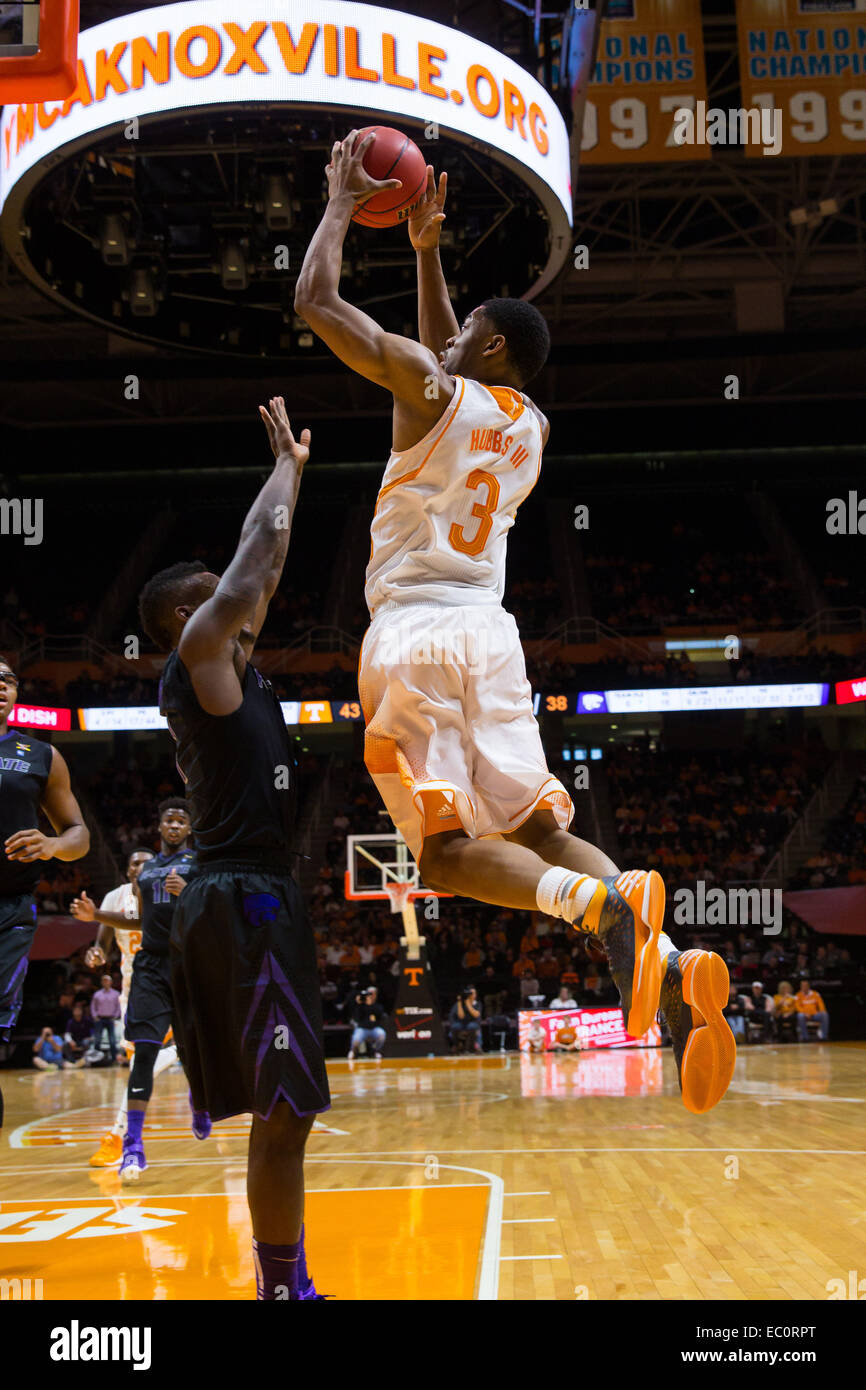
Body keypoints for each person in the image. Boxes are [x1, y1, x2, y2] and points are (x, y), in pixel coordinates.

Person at [295, 135, 734, 1115]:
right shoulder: (525, 427)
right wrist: (422, 254)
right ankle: (660, 950)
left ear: (486, 348)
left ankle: (588, 903)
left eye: (462, 336)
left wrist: (335, 203)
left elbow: (315, 305)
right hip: (490, 638)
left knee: (444, 857)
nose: (444, 340)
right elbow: (455, 357)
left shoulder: (431, 387)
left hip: (409, 634)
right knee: (537, 821)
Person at [137, 397, 329, 1301]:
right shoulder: (200, 656)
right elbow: (253, 565)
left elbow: (269, 565)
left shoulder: (236, 663)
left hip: (259, 894)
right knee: (287, 1109)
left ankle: (279, 1280)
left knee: (286, 1111)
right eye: (212, 591)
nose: (240, 599)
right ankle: (280, 1287)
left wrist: (292, 472)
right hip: (238, 895)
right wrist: (284, 472)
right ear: (185, 613)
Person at [0, 658, 89, 1137]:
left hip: (10, 907)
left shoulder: (40, 755)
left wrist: (53, 844)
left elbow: (79, 834)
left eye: (8, 680)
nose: (1, 686)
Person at [115, 800, 198, 1182]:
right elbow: (141, 920)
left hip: (190, 963)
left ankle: (201, 1102)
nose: (175, 825)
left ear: (190, 828)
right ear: (160, 825)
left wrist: (191, 895)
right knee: (144, 1052)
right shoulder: (146, 870)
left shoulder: (199, 866)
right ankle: (132, 1145)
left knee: (193, 1048)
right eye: (170, 819)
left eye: (182, 821)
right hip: (150, 966)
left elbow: (217, 914)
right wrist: (96, 919)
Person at [71, 847, 157, 1166]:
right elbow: (102, 944)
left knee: (147, 1063)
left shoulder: (166, 894)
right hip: (135, 990)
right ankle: (120, 1138)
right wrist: (96, 954)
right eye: (135, 863)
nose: (140, 868)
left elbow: (142, 921)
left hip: (174, 984)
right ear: (127, 870)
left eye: (147, 863)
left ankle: (118, 1136)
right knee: (141, 1065)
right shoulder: (113, 898)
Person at [348, 985, 387, 1060]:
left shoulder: (378, 1006)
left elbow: (379, 1014)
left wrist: (370, 1004)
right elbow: (356, 1016)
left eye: (372, 994)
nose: (370, 996)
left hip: (374, 1029)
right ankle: (353, 1051)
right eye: (369, 994)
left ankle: (376, 1051)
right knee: (356, 1039)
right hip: (362, 1029)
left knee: (382, 1034)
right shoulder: (360, 1006)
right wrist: (358, 1003)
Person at [90, 973, 121, 1064]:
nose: (105, 983)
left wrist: (116, 1015)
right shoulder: (97, 994)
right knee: (97, 1039)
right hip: (100, 1019)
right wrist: (94, 1016)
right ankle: (95, 1060)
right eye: (104, 981)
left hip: (111, 1019)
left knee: (112, 1040)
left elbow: (118, 1006)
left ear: (111, 982)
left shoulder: (116, 994)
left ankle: (114, 1059)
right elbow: (93, 1006)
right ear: (101, 983)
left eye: (107, 981)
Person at [448, 986, 482, 1053]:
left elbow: (476, 1014)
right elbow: (461, 1016)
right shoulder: (460, 1003)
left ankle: (470, 1047)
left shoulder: (477, 1004)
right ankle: (457, 1045)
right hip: (462, 1023)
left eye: (472, 993)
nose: (471, 995)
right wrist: (460, 1003)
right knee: (454, 1026)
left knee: (472, 1026)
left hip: (473, 1024)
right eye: (470, 993)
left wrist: (468, 1003)